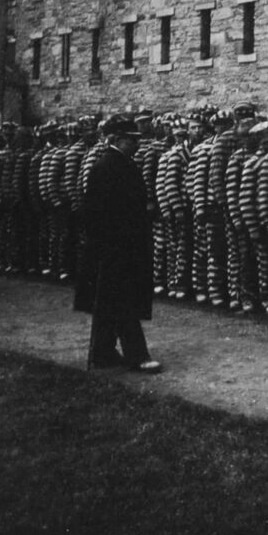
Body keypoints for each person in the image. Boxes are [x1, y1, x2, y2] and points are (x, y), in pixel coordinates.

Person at [74, 114, 161, 373]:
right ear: (116, 140)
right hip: (116, 246)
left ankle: (103, 353)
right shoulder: (108, 166)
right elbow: (96, 212)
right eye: (130, 140)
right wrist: (109, 243)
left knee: (108, 302)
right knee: (123, 301)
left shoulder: (120, 163)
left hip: (122, 244)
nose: (135, 144)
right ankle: (137, 355)